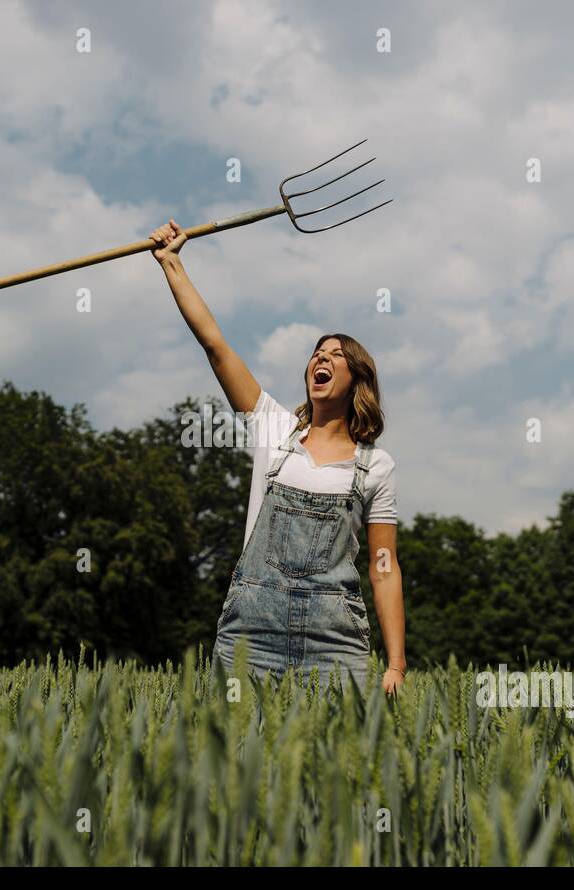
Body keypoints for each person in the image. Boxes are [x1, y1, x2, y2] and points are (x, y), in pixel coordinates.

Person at [149, 219, 407, 696]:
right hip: (252, 637)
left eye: (335, 354)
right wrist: (172, 264)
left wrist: (396, 663)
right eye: (316, 353)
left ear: (358, 379)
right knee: (234, 762)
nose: (320, 359)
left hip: (335, 645)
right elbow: (215, 345)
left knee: (329, 768)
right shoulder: (273, 427)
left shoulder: (376, 466)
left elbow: (383, 565)